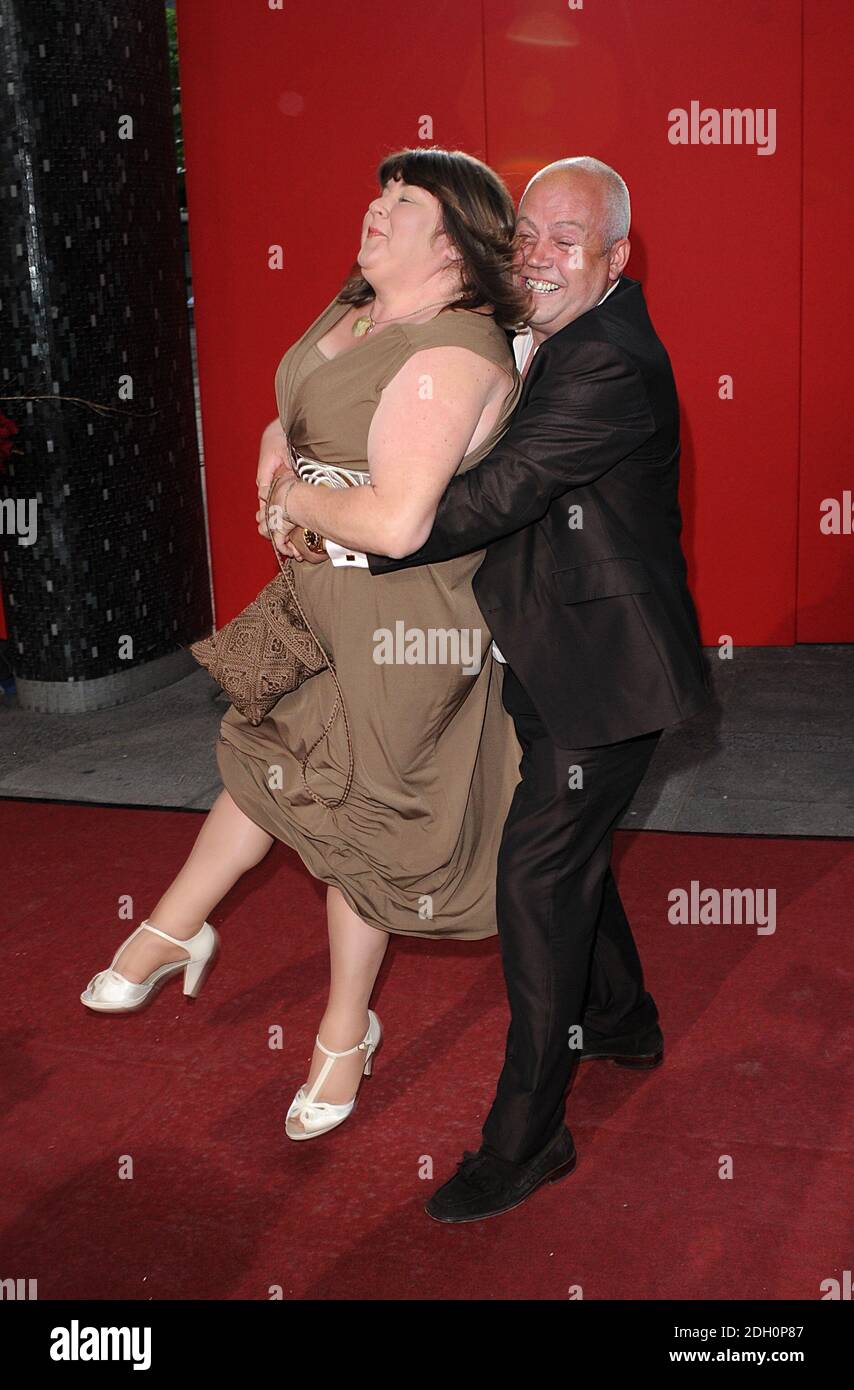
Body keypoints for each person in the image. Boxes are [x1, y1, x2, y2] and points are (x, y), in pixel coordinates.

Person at [272, 156, 711, 1218]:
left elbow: (487, 495)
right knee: (567, 861)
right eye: (528, 233)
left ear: (616, 253)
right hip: (542, 653)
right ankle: (621, 1019)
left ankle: (527, 1136)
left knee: (532, 882)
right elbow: (376, 340)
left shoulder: (609, 359)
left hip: (602, 682)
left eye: (569, 239)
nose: (541, 256)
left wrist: (325, 504)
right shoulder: (534, 328)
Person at [81, 146, 533, 1142]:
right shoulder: (363, 306)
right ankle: (172, 928)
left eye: (403, 201)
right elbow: (301, 401)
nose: (376, 211)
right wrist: (274, 451)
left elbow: (399, 519)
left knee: (357, 830)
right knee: (269, 761)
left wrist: (288, 497)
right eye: (376, 192)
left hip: (401, 623)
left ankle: (339, 1033)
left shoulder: (449, 353)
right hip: (321, 595)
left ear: (456, 247)